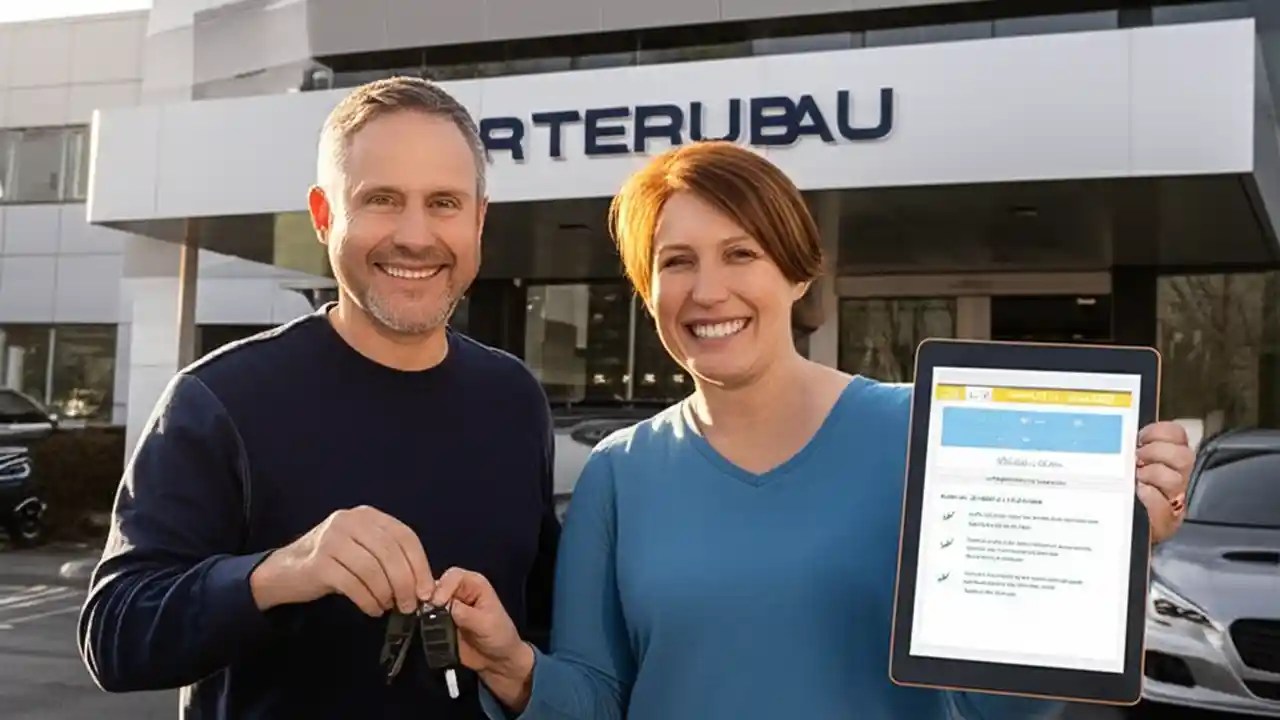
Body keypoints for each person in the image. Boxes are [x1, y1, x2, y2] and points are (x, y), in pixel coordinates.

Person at [422, 141, 1196, 719]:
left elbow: (994, 703)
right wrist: (516, 666)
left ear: (796, 272)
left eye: (741, 253)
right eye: (677, 261)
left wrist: (1107, 549)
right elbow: (595, 698)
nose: (708, 289)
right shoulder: (619, 474)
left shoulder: (925, 435)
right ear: (647, 290)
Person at [76, 77, 560, 719]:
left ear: (479, 219)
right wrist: (279, 573)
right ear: (325, 215)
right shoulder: (219, 400)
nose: (415, 237)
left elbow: (548, 620)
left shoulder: (513, 399)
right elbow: (114, 636)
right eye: (382, 200)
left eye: (443, 202)